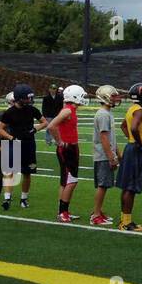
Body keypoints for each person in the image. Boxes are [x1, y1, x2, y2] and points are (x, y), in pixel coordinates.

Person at [0, 84, 42, 210]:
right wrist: (11, 137)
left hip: (29, 144)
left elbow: (44, 122)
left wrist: (34, 129)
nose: (30, 100)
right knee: (9, 171)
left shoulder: (32, 110)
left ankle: (24, 198)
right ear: (20, 98)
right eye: (28, 97)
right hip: (13, 144)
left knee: (27, 172)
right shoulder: (9, 112)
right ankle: (7, 199)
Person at [45, 84, 87, 222]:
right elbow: (51, 126)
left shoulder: (70, 110)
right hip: (67, 149)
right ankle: (63, 212)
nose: (83, 98)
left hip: (71, 148)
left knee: (65, 181)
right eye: (81, 95)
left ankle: (62, 211)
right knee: (71, 181)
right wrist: (60, 141)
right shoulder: (67, 111)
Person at [116, 83, 142, 231]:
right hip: (136, 150)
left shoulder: (131, 108)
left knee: (126, 187)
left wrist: (131, 139)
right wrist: (140, 143)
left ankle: (124, 219)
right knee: (131, 187)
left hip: (130, 147)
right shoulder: (139, 111)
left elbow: (123, 126)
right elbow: (131, 127)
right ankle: (126, 223)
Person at [89, 84, 121, 225]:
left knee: (105, 185)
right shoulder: (103, 114)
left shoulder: (106, 113)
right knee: (103, 185)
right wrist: (111, 157)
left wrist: (118, 154)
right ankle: (95, 215)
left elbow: (111, 138)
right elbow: (104, 138)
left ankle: (98, 211)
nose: (116, 99)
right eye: (113, 96)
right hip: (103, 156)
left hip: (105, 154)